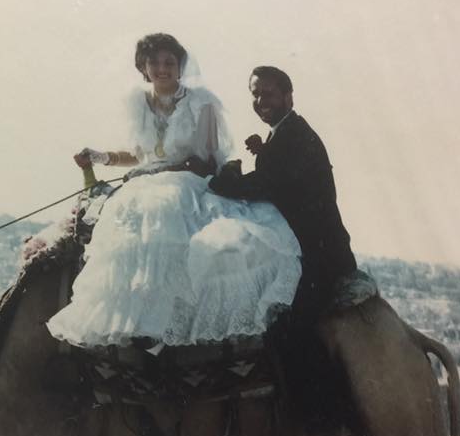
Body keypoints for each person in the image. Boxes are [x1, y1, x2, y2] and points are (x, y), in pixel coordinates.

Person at [46, 34, 302, 349]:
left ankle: (169, 332)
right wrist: (100, 157)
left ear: (180, 67)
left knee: (163, 213)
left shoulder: (202, 102)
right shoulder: (136, 103)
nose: (162, 69)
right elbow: (139, 154)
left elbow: (208, 161)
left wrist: (166, 170)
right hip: (146, 182)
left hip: (189, 182)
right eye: (154, 62)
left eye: (169, 62)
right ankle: (138, 330)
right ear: (143, 67)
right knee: (128, 224)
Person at [207, 65, 358, 436]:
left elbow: (267, 185)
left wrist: (223, 182)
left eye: (268, 94)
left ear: (289, 96)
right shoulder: (285, 134)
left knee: (290, 326)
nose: (260, 102)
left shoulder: (296, 136)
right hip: (304, 249)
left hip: (319, 256)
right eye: (255, 95)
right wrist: (264, 150)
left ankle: (329, 425)